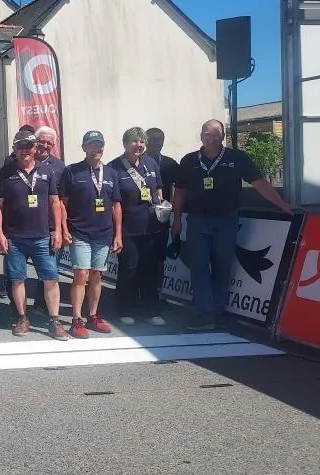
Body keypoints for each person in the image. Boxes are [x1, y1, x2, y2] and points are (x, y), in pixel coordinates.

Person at [172, 119, 295, 331]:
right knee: (199, 266)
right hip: (197, 220)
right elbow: (180, 191)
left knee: (222, 265)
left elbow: (259, 183)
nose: (211, 139)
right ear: (201, 136)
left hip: (226, 220)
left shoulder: (236, 158)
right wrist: (176, 221)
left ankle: (217, 312)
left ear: (223, 137)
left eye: (216, 135)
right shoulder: (189, 160)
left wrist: (282, 204)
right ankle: (203, 314)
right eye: (207, 134)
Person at [0, 130, 66, 339]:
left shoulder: (47, 171)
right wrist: (0, 233)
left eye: (29, 146)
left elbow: (55, 202)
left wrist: (58, 230)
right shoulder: (5, 173)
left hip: (43, 236)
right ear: (14, 149)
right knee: (17, 279)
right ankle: (23, 317)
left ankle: (54, 320)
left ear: (35, 148)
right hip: (15, 237)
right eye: (20, 146)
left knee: (51, 278)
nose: (25, 150)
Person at [60, 131, 122, 338]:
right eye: (92, 145)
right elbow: (62, 203)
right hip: (80, 232)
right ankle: (76, 319)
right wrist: (64, 229)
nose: (96, 149)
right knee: (81, 275)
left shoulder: (112, 173)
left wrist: (118, 234)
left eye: (99, 145)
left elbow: (116, 206)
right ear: (84, 148)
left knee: (97, 276)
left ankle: (93, 315)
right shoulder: (72, 171)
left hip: (104, 234)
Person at [111, 127, 166, 325]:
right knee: (129, 269)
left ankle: (151, 310)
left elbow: (158, 187)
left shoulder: (150, 163)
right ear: (125, 144)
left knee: (150, 269)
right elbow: (113, 202)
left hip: (152, 226)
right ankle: (126, 308)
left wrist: (160, 201)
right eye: (134, 141)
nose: (139, 145)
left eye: (142, 141)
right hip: (127, 228)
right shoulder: (114, 167)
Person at [29, 125, 66, 314]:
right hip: (22, 227)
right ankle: (16, 309)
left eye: (49, 143)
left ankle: (42, 306)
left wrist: (61, 229)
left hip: (49, 226)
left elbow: (61, 200)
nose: (44, 145)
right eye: (41, 141)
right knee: (16, 273)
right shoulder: (22, 159)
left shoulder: (60, 167)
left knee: (49, 271)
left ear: (53, 145)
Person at [145, 127, 179, 202]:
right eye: (153, 140)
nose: (157, 143)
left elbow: (181, 185)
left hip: (164, 208)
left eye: (160, 140)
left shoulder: (170, 163)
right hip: (142, 208)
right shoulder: (137, 162)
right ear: (146, 141)